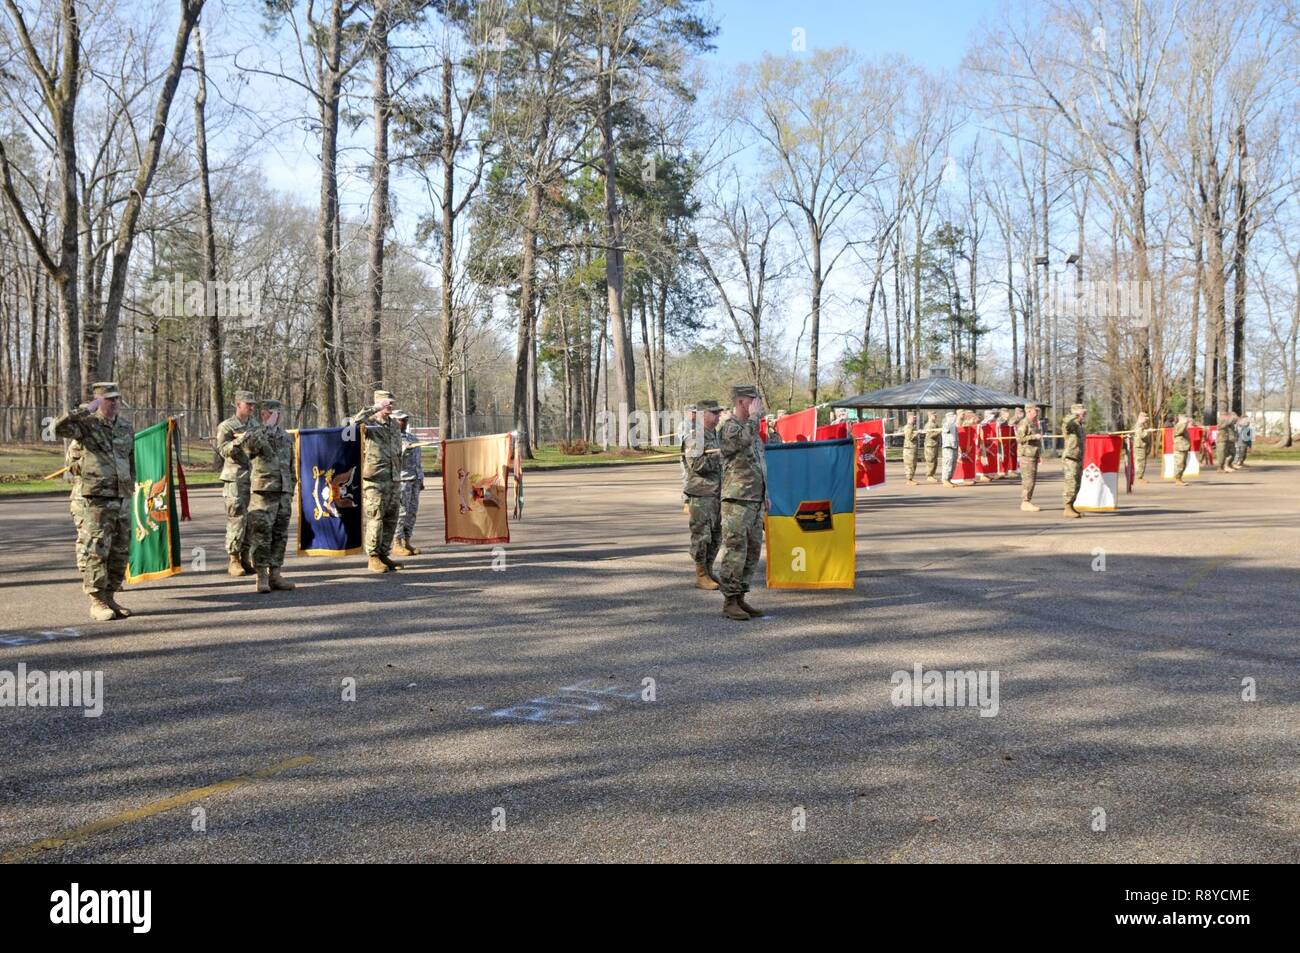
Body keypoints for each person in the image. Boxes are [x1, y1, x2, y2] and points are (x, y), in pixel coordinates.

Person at [53, 382, 135, 621]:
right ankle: (97, 600)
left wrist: (132, 486)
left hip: (122, 496)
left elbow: (130, 460)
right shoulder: (87, 425)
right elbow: (59, 428)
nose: (115, 403)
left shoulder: (125, 427)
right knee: (97, 549)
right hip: (97, 496)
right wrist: (85, 410)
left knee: (120, 549)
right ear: (98, 401)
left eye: (117, 398)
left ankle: (110, 596)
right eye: (109, 399)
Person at [717, 384, 768, 621]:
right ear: (740, 402)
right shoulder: (731, 427)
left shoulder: (752, 428)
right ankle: (729, 600)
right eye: (752, 400)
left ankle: (740, 597)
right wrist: (755, 418)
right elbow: (742, 442)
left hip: (755, 498)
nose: (757, 404)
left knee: (752, 551)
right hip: (736, 499)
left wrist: (766, 494)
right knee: (736, 550)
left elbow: (760, 464)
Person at [242, 399, 296, 593]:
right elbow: (249, 449)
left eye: (278, 413)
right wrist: (264, 428)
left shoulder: (285, 436)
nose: (276, 417)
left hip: (283, 491)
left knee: (280, 534)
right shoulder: (254, 432)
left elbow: (291, 465)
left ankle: (275, 574)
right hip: (264, 492)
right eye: (272, 413)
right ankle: (261, 576)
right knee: (262, 534)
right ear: (264, 414)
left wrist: (291, 487)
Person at [351, 389, 405, 572]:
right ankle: (373, 557)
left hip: (393, 478)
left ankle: (383, 554)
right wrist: (373, 408)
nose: (390, 405)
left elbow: (397, 451)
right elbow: (352, 423)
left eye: (392, 402)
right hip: (375, 479)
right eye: (387, 402)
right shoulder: (370, 422)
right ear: (379, 403)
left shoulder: (394, 424)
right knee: (376, 517)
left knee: (391, 518)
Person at [215, 390, 260, 576]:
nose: (252, 407)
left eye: (253, 404)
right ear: (238, 404)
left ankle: (245, 557)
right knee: (237, 518)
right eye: (248, 404)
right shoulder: (227, 426)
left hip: (254, 476)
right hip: (235, 478)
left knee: (251, 519)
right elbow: (222, 450)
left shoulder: (255, 424)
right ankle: (233, 559)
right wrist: (239, 441)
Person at [683, 398, 723, 590]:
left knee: (716, 534)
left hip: (716, 492)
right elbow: (697, 465)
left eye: (718, 413)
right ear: (702, 415)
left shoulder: (715, 434)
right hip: (701, 493)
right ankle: (700, 574)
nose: (718, 416)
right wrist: (720, 456)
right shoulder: (695, 436)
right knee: (702, 535)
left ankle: (708, 569)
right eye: (714, 413)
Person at [392, 411, 424, 556]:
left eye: (405, 420)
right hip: (402, 480)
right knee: (401, 512)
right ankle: (396, 542)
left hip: (414, 479)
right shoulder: (391, 438)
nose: (404, 422)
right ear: (394, 421)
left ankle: (407, 541)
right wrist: (403, 448)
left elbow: (418, 461)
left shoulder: (413, 438)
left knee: (412, 512)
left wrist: (421, 479)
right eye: (401, 420)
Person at [1015, 404, 1043, 512]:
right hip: (1026, 455)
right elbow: (1019, 438)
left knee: (1032, 479)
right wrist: (1034, 436)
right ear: (1029, 411)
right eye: (1035, 411)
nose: (1037, 413)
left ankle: (1027, 500)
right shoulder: (1024, 422)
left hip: (1033, 453)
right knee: (1028, 480)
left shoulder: (1033, 423)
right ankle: (1025, 502)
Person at [1061, 403, 1087, 518]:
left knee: (1077, 484)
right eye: (1082, 413)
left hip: (1078, 457)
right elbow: (1066, 423)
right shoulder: (1071, 424)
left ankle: (1071, 506)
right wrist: (1075, 415)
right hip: (1070, 458)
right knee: (1071, 483)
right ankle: (1067, 508)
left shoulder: (1080, 425)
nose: (1084, 415)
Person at [679, 404, 697, 514]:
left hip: (696, 455)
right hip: (686, 455)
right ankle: (686, 501)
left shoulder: (698, 424)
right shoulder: (683, 424)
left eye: (696, 412)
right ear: (687, 413)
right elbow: (682, 439)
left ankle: (695, 500)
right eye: (693, 412)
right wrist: (691, 434)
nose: (695, 414)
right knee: (687, 476)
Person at [1130, 412, 1151, 484]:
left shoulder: (1141, 425)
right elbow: (1142, 435)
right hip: (1139, 446)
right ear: (1141, 418)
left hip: (1141, 445)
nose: (1146, 420)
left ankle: (1140, 477)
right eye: (1145, 418)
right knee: (1140, 462)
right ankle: (1139, 478)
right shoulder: (1139, 425)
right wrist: (1148, 432)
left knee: (1142, 461)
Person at [1173, 412, 1192, 485]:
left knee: (1183, 464)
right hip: (1180, 447)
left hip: (1184, 447)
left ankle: (1180, 478)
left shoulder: (1183, 425)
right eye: (1185, 418)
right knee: (1179, 463)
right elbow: (1179, 432)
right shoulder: (1179, 425)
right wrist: (1184, 423)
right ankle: (1177, 479)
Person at [941, 410, 959, 487]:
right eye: (951, 416)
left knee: (953, 464)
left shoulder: (954, 425)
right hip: (948, 447)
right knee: (947, 463)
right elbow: (946, 429)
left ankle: (949, 479)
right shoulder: (946, 424)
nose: (953, 418)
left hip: (954, 446)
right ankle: (945, 480)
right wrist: (950, 421)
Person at [923, 411, 941, 483]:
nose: (936, 417)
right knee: (930, 460)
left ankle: (932, 475)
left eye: (936, 416)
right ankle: (929, 476)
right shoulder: (929, 425)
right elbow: (930, 435)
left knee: (934, 461)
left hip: (934, 445)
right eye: (934, 416)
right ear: (930, 416)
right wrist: (939, 431)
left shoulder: (934, 424)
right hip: (930, 445)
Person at [901, 412, 918, 485]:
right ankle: (909, 480)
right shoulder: (908, 427)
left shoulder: (912, 426)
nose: (915, 419)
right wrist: (917, 433)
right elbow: (909, 437)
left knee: (913, 464)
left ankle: (911, 479)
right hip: (909, 449)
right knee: (909, 464)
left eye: (915, 418)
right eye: (913, 418)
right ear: (909, 418)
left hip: (912, 448)